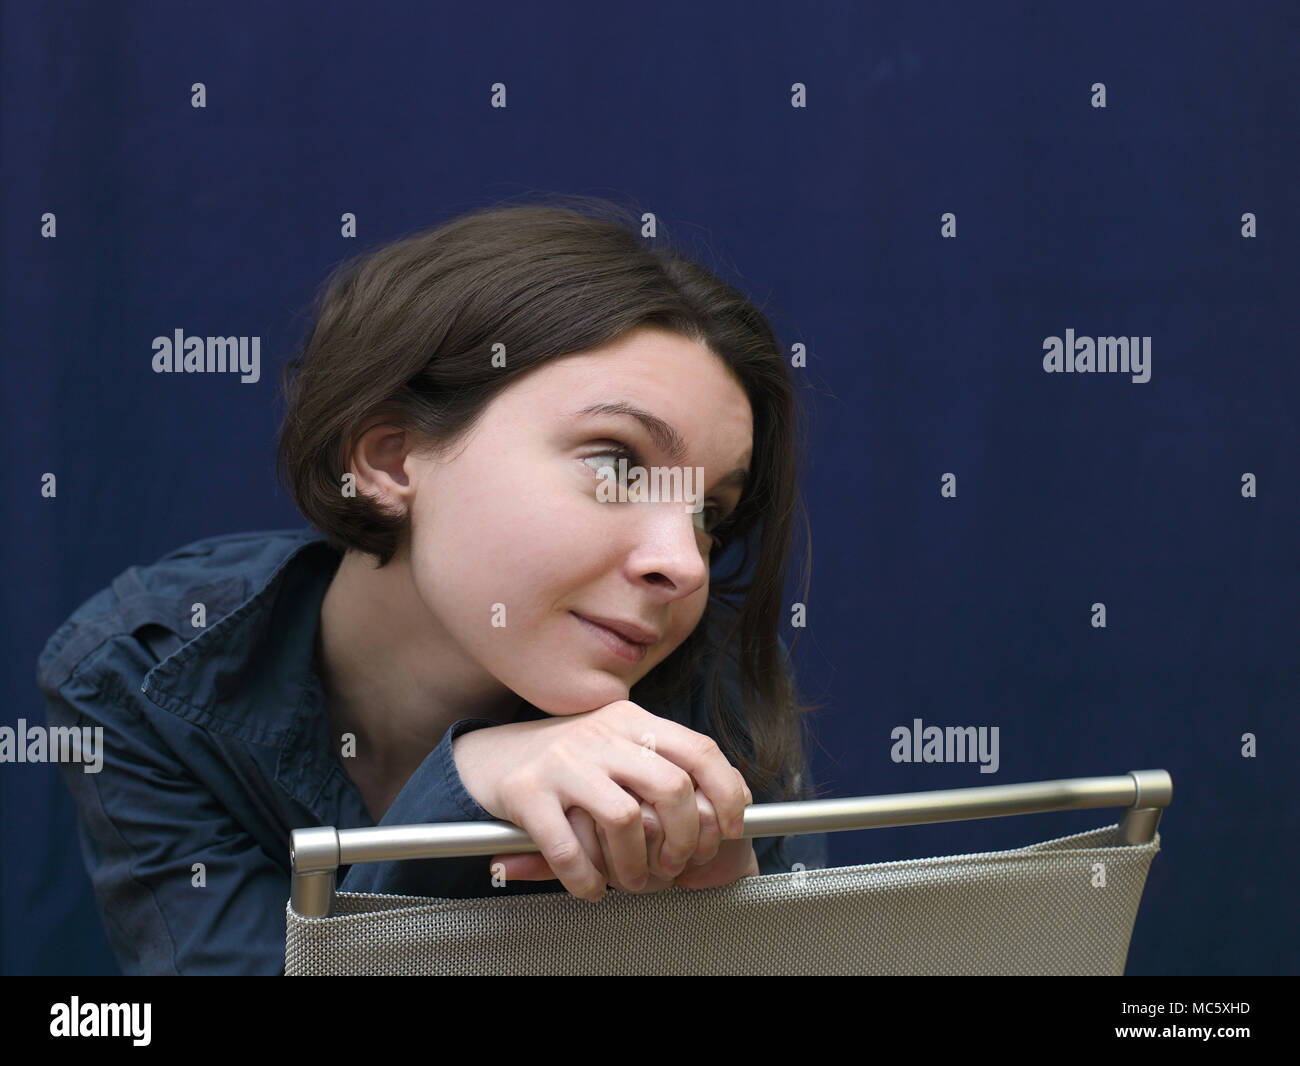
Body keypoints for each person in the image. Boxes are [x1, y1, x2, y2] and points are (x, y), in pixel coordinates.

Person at [36, 195, 826, 975]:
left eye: (707, 510)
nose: (686, 564)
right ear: (388, 459)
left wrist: (730, 942)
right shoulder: (144, 675)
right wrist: (462, 790)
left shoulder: (710, 695)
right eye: (617, 464)